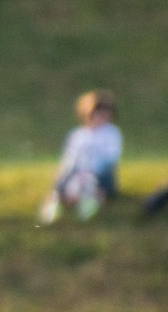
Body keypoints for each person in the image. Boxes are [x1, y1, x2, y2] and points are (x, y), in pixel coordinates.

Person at [40, 90, 123, 224]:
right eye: (96, 114)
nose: (100, 118)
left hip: (100, 172)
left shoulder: (112, 133)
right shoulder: (78, 135)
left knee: (96, 188)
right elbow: (70, 157)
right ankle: (53, 208)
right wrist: (64, 173)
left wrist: (93, 171)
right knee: (62, 187)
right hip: (77, 170)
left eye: (105, 114)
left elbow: (111, 158)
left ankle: (90, 206)